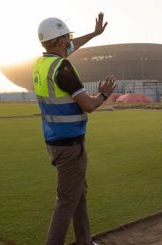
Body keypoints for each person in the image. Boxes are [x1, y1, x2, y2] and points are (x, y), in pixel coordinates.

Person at [33, 12, 116, 245]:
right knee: (67, 201)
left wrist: (95, 34)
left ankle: (85, 241)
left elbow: (72, 46)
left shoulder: (42, 64)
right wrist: (104, 93)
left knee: (78, 195)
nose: (71, 41)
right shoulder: (63, 68)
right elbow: (89, 105)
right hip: (70, 146)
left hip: (55, 141)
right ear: (60, 41)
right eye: (67, 37)